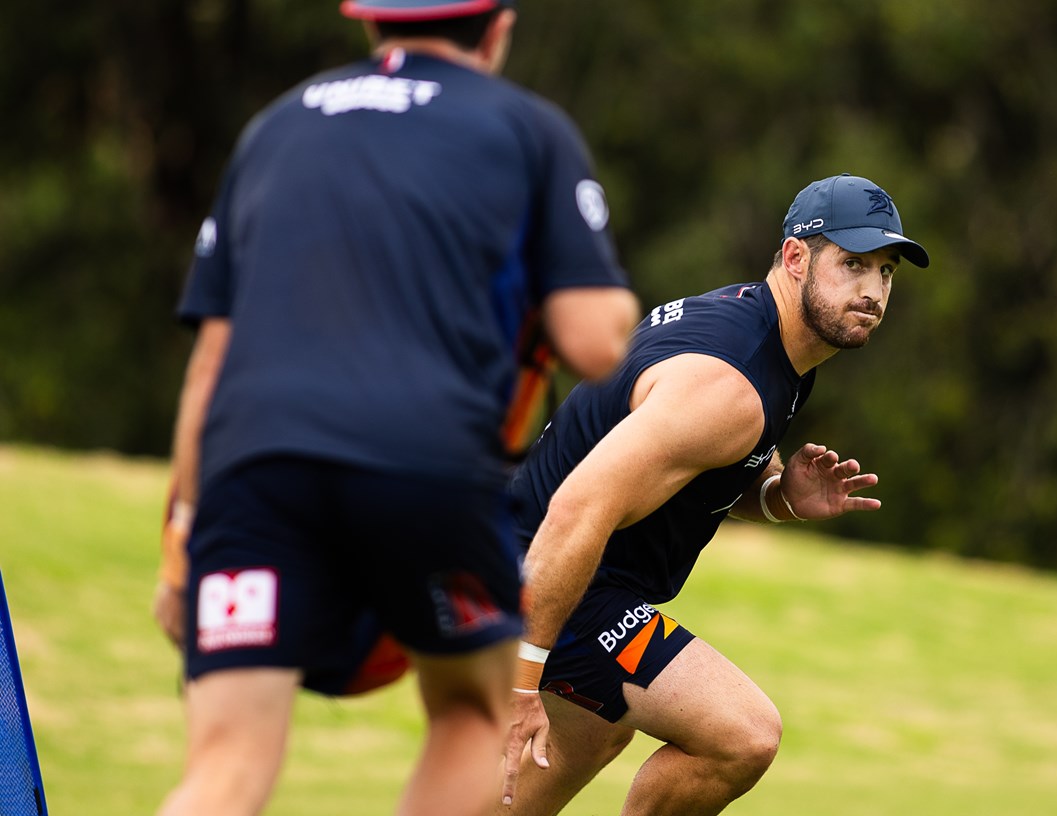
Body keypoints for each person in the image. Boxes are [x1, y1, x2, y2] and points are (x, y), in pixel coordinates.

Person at [151, 1, 639, 813]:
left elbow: (209, 366)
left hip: (254, 469)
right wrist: (611, 301)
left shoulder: (277, 125)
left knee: (224, 767)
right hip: (425, 464)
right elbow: (592, 341)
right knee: (472, 715)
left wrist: (180, 551)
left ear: (369, 23)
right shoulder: (529, 128)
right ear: (497, 29)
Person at [500, 173, 930, 815]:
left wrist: (779, 496)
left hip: (550, 565)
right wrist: (520, 679)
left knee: (585, 738)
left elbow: (695, 466)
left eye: (886, 272)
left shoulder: (766, 335)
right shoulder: (729, 387)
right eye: (853, 264)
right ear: (796, 257)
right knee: (742, 735)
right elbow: (576, 509)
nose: (872, 290)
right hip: (552, 577)